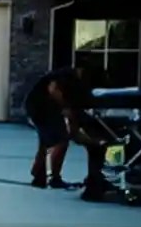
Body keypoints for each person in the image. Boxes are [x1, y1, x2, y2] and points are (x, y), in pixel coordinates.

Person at [23, 66, 109, 197]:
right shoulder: (67, 76)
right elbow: (53, 90)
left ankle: (39, 175)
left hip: (40, 106)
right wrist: (65, 108)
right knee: (60, 141)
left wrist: (75, 131)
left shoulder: (75, 84)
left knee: (47, 141)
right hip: (40, 107)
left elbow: (74, 119)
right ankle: (53, 177)